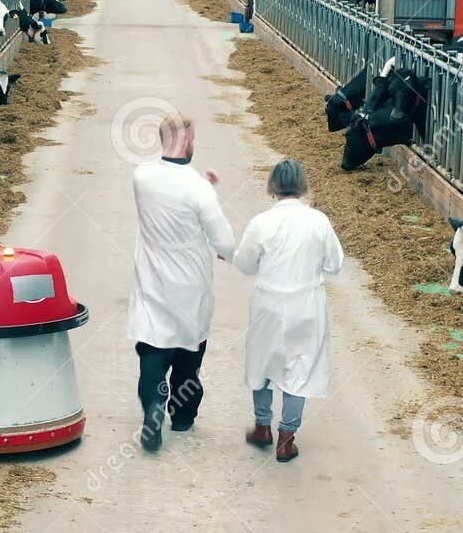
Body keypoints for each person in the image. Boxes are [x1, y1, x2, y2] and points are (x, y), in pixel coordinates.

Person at [127, 113, 236, 452]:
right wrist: (208, 191)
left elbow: (169, 196)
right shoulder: (198, 190)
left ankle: (153, 409)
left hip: (152, 283)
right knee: (188, 358)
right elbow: (224, 242)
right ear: (188, 141)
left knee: (153, 353)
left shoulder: (141, 176)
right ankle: (183, 414)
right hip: (191, 288)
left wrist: (203, 187)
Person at [233, 160, 344, 462]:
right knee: (300, 366)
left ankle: (262, 427)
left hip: (268, 303)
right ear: (303, 185)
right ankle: (287, 438)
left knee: (263, 363)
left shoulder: (261, 222)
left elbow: (244, 264)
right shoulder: (318, 221)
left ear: (272, 186)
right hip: (306, 304)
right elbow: (335, 264)